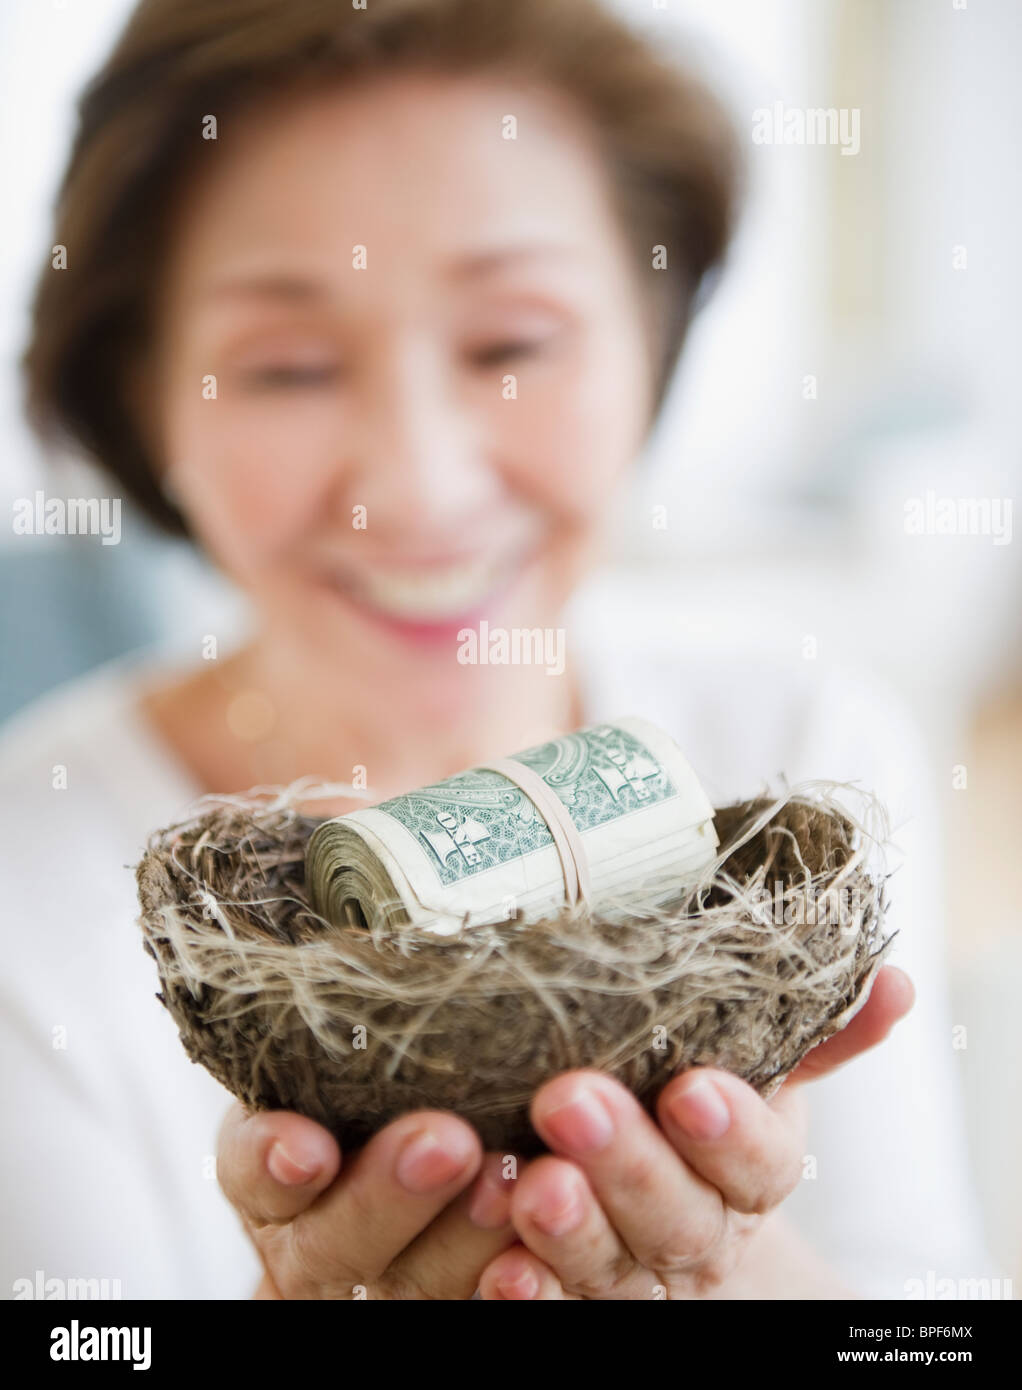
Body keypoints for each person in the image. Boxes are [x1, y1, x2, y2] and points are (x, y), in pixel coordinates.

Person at [2, 0, 993, 1300]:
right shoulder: (27, 885)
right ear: (142, 396)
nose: (414, 485)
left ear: (652, 345)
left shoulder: (795, 743)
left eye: (511, 343)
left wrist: (729, 1268)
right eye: (290, 367)